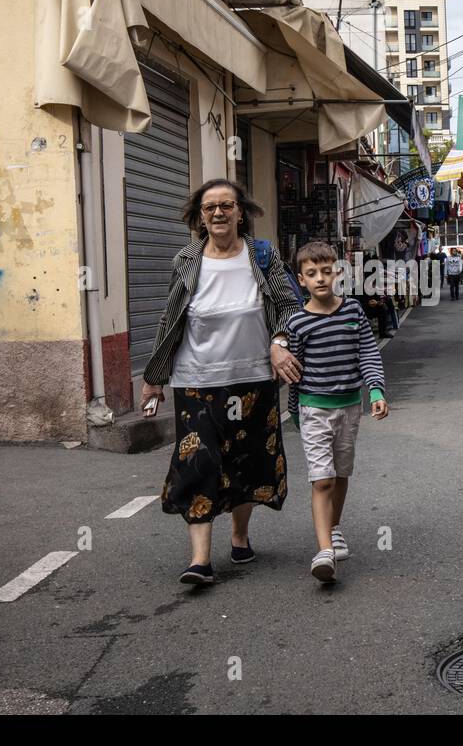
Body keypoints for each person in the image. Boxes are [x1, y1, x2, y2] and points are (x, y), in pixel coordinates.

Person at [140, 179, 302, 586]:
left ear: (240, 212)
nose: (217, 213)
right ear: (199, 216)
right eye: (209, 207)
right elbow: (170, 319)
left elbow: (287, 305)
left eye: (226, 205)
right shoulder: (187, 261)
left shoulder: (262, 257)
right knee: (198, 461)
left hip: (253, 380)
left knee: (247, 460)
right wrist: (154, 379)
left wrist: (280, 341)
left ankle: (240, 535)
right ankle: (199, 560)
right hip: (196, 382)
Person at [287, 241, 389, 583]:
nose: (320, 279)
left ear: (338, 273)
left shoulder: (353, 312)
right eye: (312, 274)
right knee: (323, 479)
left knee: (342, 472)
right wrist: (296, 413)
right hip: (314, 407)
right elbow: (294, 373)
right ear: (301, 280)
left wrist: (375, 390)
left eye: (326, 272)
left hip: (349, 407)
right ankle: (325, 550)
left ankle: (334, 527)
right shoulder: (298, 322)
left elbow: (368, 353)